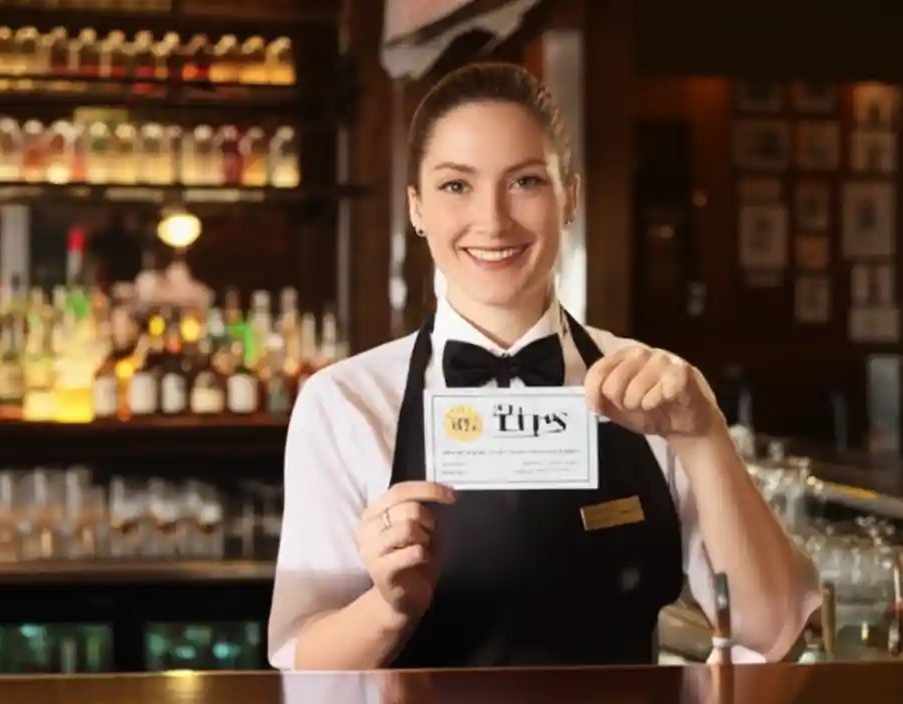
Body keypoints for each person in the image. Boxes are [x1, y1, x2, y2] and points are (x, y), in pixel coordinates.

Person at [267, 62, 820, 671]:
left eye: (525, 181)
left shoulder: (654, 387)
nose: (494, 220)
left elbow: (769, 634)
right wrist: (390, 607)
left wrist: (703, 434)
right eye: (456, 186)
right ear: (417, 207)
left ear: (570, 198)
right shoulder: (346, 402)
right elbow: (301, 663)